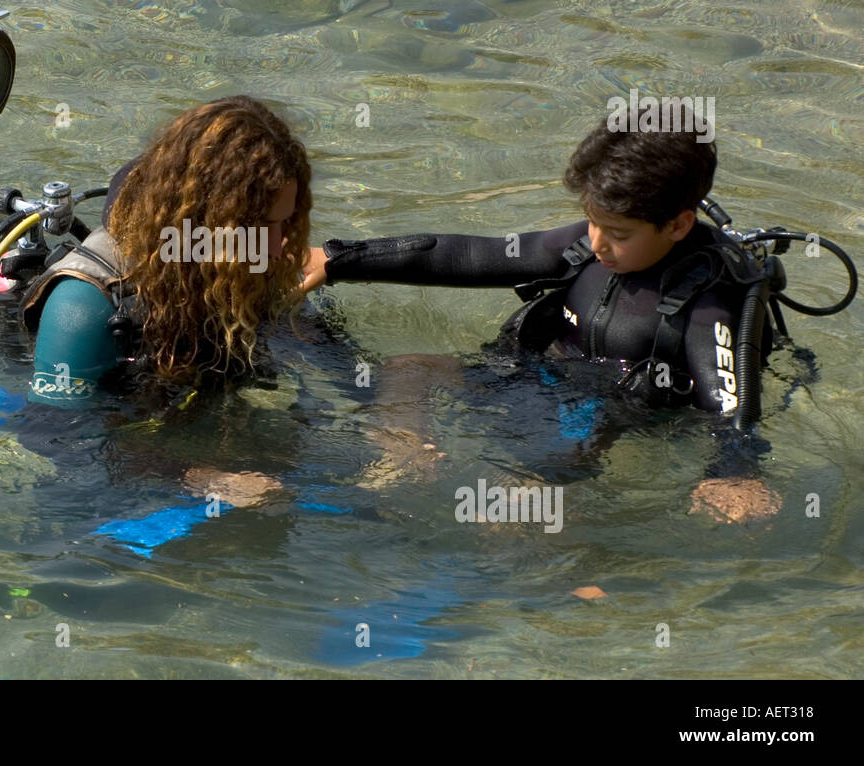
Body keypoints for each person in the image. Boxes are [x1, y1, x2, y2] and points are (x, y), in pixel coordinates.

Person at [302, 105, 784, 522]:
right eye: (591, 220)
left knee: (518, 501)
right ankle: (405, 470)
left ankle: (570, 588)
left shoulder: (712, 299)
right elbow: (469, 256)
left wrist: (735, 472)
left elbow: (733, 409)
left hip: (597, 416)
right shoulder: (593, 240)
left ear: (678, 225)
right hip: (529, 377)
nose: (597, 244)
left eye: (617, 232)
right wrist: (337, 259)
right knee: (409, 371)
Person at [18, 95, 313, 504]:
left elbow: (314, 341)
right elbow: (53, 439)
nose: (280, 247)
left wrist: (396, 420)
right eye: (263, 225)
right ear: (207, 222)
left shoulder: (244, 257)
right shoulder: (84, 305)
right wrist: (199, 478)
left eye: (286, 224)